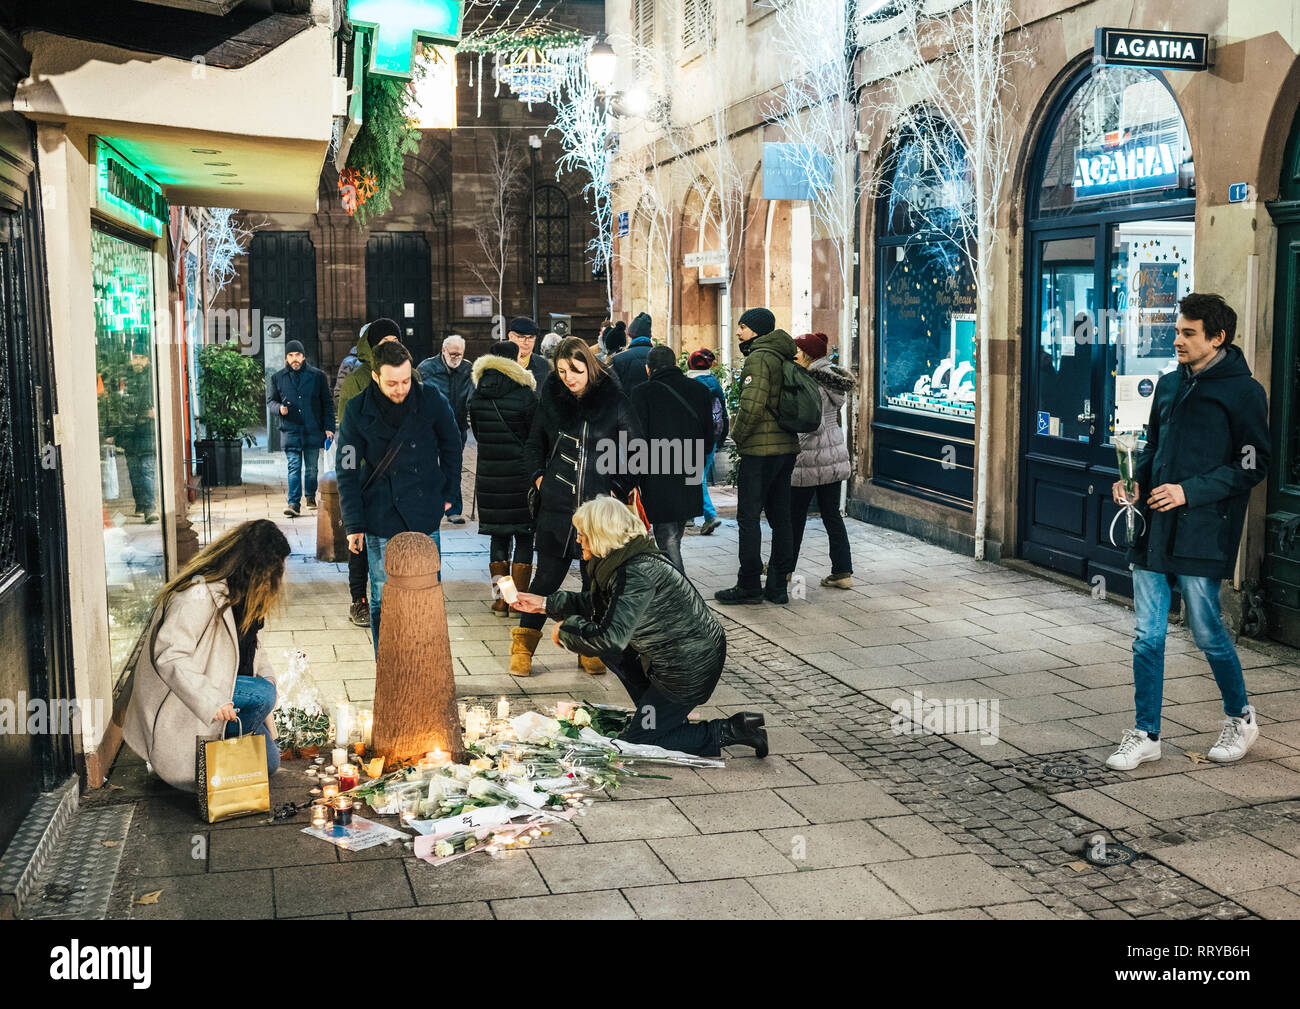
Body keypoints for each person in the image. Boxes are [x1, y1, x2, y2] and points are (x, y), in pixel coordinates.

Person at [1107, 293, 1269, 771]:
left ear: (1217, 338)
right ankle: (1146, 733)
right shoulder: (1169, 384)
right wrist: (1132, 478)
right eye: (1177, 331)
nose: (1177, 340)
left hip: (1203, 531)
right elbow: (1155, 446)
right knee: (1146, 635)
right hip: (1153, 528)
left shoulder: (1244, 392)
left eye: (1188, 333)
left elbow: (1253, 464)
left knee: (1207, 630)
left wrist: (1188, 492)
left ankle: (1241, 718)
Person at [513, 497, 768, 757]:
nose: (578, 540)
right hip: (671, 659)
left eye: (582, 534)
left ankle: (736, 729)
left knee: (639, 742)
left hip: (687, 668)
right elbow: (602, 606)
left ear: (600, 534)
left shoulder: (636, 572)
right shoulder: (623, 559)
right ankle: (659, 715)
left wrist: (566, 631)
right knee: (620, 668)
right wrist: (544, 604)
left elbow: (610, 637)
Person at [123, 519, 291, 791]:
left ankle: (222, 756)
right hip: (188, 701)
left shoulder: (242, 594)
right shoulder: (197, 594)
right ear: (256, 570)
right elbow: (169, 654)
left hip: (224, 692)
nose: (281, 577)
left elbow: (254, 648)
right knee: (262, 695)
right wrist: (212, 700)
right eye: (276, 570)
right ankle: (202, 763)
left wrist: (268, 676)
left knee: (270, 761)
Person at [515, 337, 642, 676]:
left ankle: (588, 648)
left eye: (575, 369)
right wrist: (541, 480)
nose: (569, 377)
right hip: (556, 509)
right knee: (546, 579)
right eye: (561, 371)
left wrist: (616, 490)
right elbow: (532, 446)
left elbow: (637, 452)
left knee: (594, 584)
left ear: (589, 365)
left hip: (598, 512)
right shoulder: (551, 402)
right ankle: (523, 646)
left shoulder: (615, 402)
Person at [337, 340, 462, 652]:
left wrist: (450, 495)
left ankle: (426, 662)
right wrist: (353, 524)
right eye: (392, 383)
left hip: (423, 510)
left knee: (426, 589)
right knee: (382, 595)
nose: (400, 389)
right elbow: (347, 469)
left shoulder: (431, 399)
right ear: (376, 377)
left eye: (406, 381)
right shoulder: (357, 410)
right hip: (380, 513)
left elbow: (452, 445)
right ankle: (388, 669)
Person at [714, 308, 798, 606]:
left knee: (748, 517)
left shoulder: (759, 358)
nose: (738, 332)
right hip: (785, 447)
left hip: (760, 451)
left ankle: (749, 583)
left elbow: (752, 405)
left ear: (757, 331)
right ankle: (777, 585)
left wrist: (737, 437)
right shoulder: (782, 354)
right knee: (780, 517)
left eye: (743, 327)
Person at [334, 318, 403, 628]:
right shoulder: (356, 380)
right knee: (360, 541)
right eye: (383, 342)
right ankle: (358, 599)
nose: (388, 347)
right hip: (366, 476)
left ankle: (395, 595)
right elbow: (346, 436)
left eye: (393, 340)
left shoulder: (408, 375)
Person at [631, 345, 715, 574]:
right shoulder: (699, 390)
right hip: (689, 466)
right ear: (676, 364)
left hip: (659, 473)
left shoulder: (642, 393)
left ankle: (680, 589)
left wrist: (633, 473)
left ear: (648, 369)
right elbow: (710, 434)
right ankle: (677, 588)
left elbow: (636, 439)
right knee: (674, 532)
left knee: (666, 537)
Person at [468, 340, 537, 617]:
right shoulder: (524, 394)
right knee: (523, 537)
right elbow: (535, 437)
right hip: (520, 476)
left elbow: (479, 437)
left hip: (489, 476)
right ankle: (518, 603)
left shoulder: (477, 395)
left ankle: (501, 599)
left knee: (498, 539)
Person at [790, 332, 856, 589]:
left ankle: (784, 569)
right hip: (834, 453)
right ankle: (842, 572)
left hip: (810, 457)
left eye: (797, 350)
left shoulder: (811, 382)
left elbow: (812, 424)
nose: (793, 354)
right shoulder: (832, 379)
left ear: (807, 354)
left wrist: (794, 443)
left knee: (795, 516)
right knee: (832, 515)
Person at [267, 340, 334, 518]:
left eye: (297, 355)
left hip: (312, 430)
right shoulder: (277, 378)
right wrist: (279, 408)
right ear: (286, 358)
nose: (294, 359)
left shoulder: (318, 376)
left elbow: (327, 403)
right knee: (294, 467)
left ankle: (310, 496)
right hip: (290, 430)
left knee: (312, 468)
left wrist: (329, 427)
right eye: (291, 355)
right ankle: (293, 503)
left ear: (303, 357)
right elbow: (270, 402)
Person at [417, 334, 473, 524]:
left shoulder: (468, 369)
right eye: (453, 354)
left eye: (460, 354)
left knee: (453, 467)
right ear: (443, 351)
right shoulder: (426, 368)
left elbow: (473, 395)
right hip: (430, 428)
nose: (457, 357)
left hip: (457, 427)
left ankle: (454, 510)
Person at [685, 348, 728, 536]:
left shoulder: (689, 384)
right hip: (713, 437)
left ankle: (710, 515)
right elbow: (724, 413)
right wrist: (722, 437)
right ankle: (691, 516)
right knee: (695, 476)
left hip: (693, 437)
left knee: (696, 478)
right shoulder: (715, 383)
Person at [611, 312, 654, 395]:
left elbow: (614, 391)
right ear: (650, 336)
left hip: (628, 406)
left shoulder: (618, 359)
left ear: (630, 335)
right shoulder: (662, 356)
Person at [508, 317, 550, 392]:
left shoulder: (544, 365)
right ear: (511, 336)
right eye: (522, 337)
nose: (526, 342)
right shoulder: (494, 366)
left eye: (531, 337)